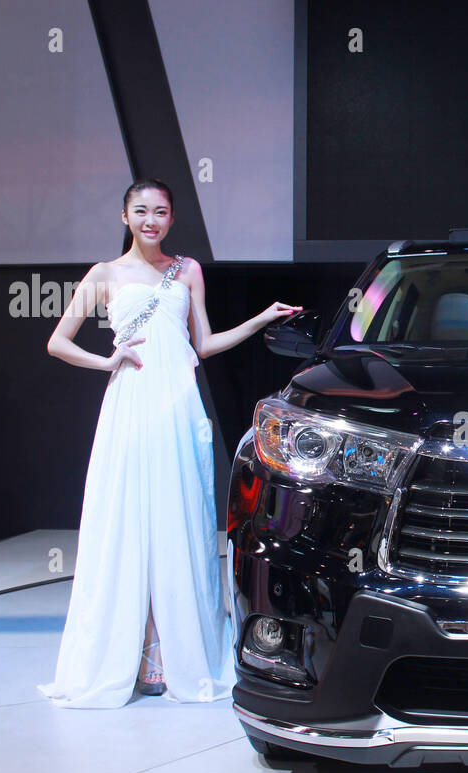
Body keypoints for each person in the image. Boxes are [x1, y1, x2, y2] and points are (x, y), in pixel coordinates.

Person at [38, 178, 302, 707]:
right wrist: (107, 361)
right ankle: (132, 648)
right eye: (141, 211)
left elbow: (202, 344)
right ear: (124, 216)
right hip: (131, 404)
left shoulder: (188, 271)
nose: (151, 220)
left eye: (160, 212)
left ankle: (169, 648)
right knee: (128, 523)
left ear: (172, 219)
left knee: (178, 523)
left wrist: (260, 320)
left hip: (179, 408)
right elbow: (57, 341)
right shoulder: (105, 274)